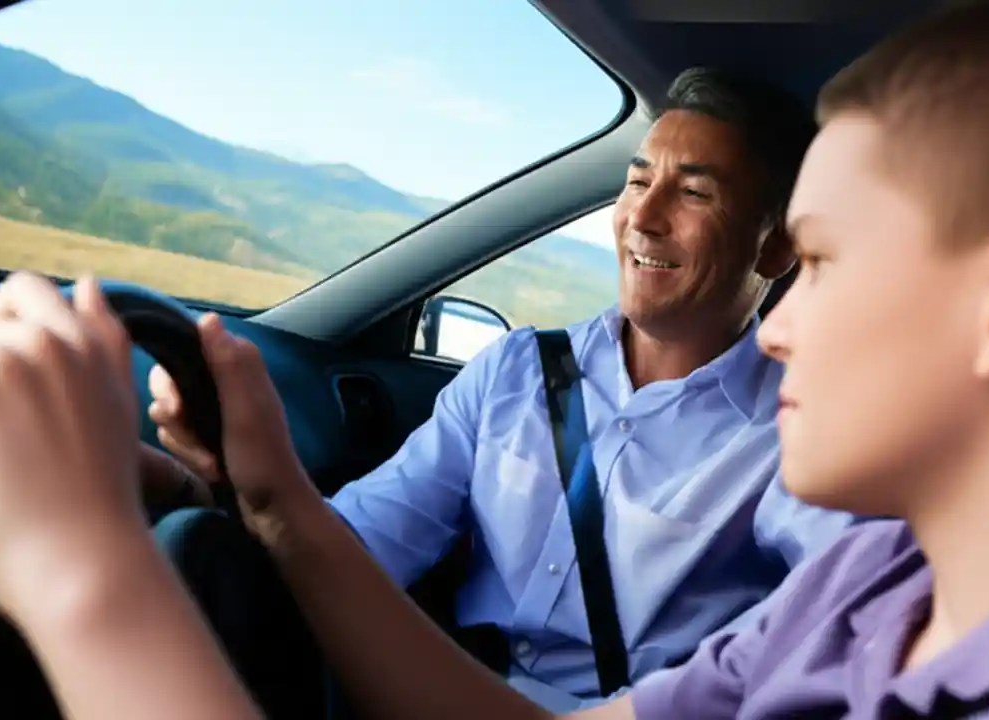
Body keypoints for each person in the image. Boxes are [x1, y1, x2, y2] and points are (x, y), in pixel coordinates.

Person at [0, 0, 989, 718]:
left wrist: (79, 579)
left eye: (826, 260)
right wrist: (259, 496)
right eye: (636, 182)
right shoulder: (871, 597)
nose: (779, 323)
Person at [150, 66, 856, 711]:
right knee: (198, 557)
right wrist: (216, 488)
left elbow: (852, 635)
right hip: (432, 693)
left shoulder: (796, 435)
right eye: (639, 181)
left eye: (695, 192)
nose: (643, 215)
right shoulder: (514, 372)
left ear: (774, 247)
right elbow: (360, 545)